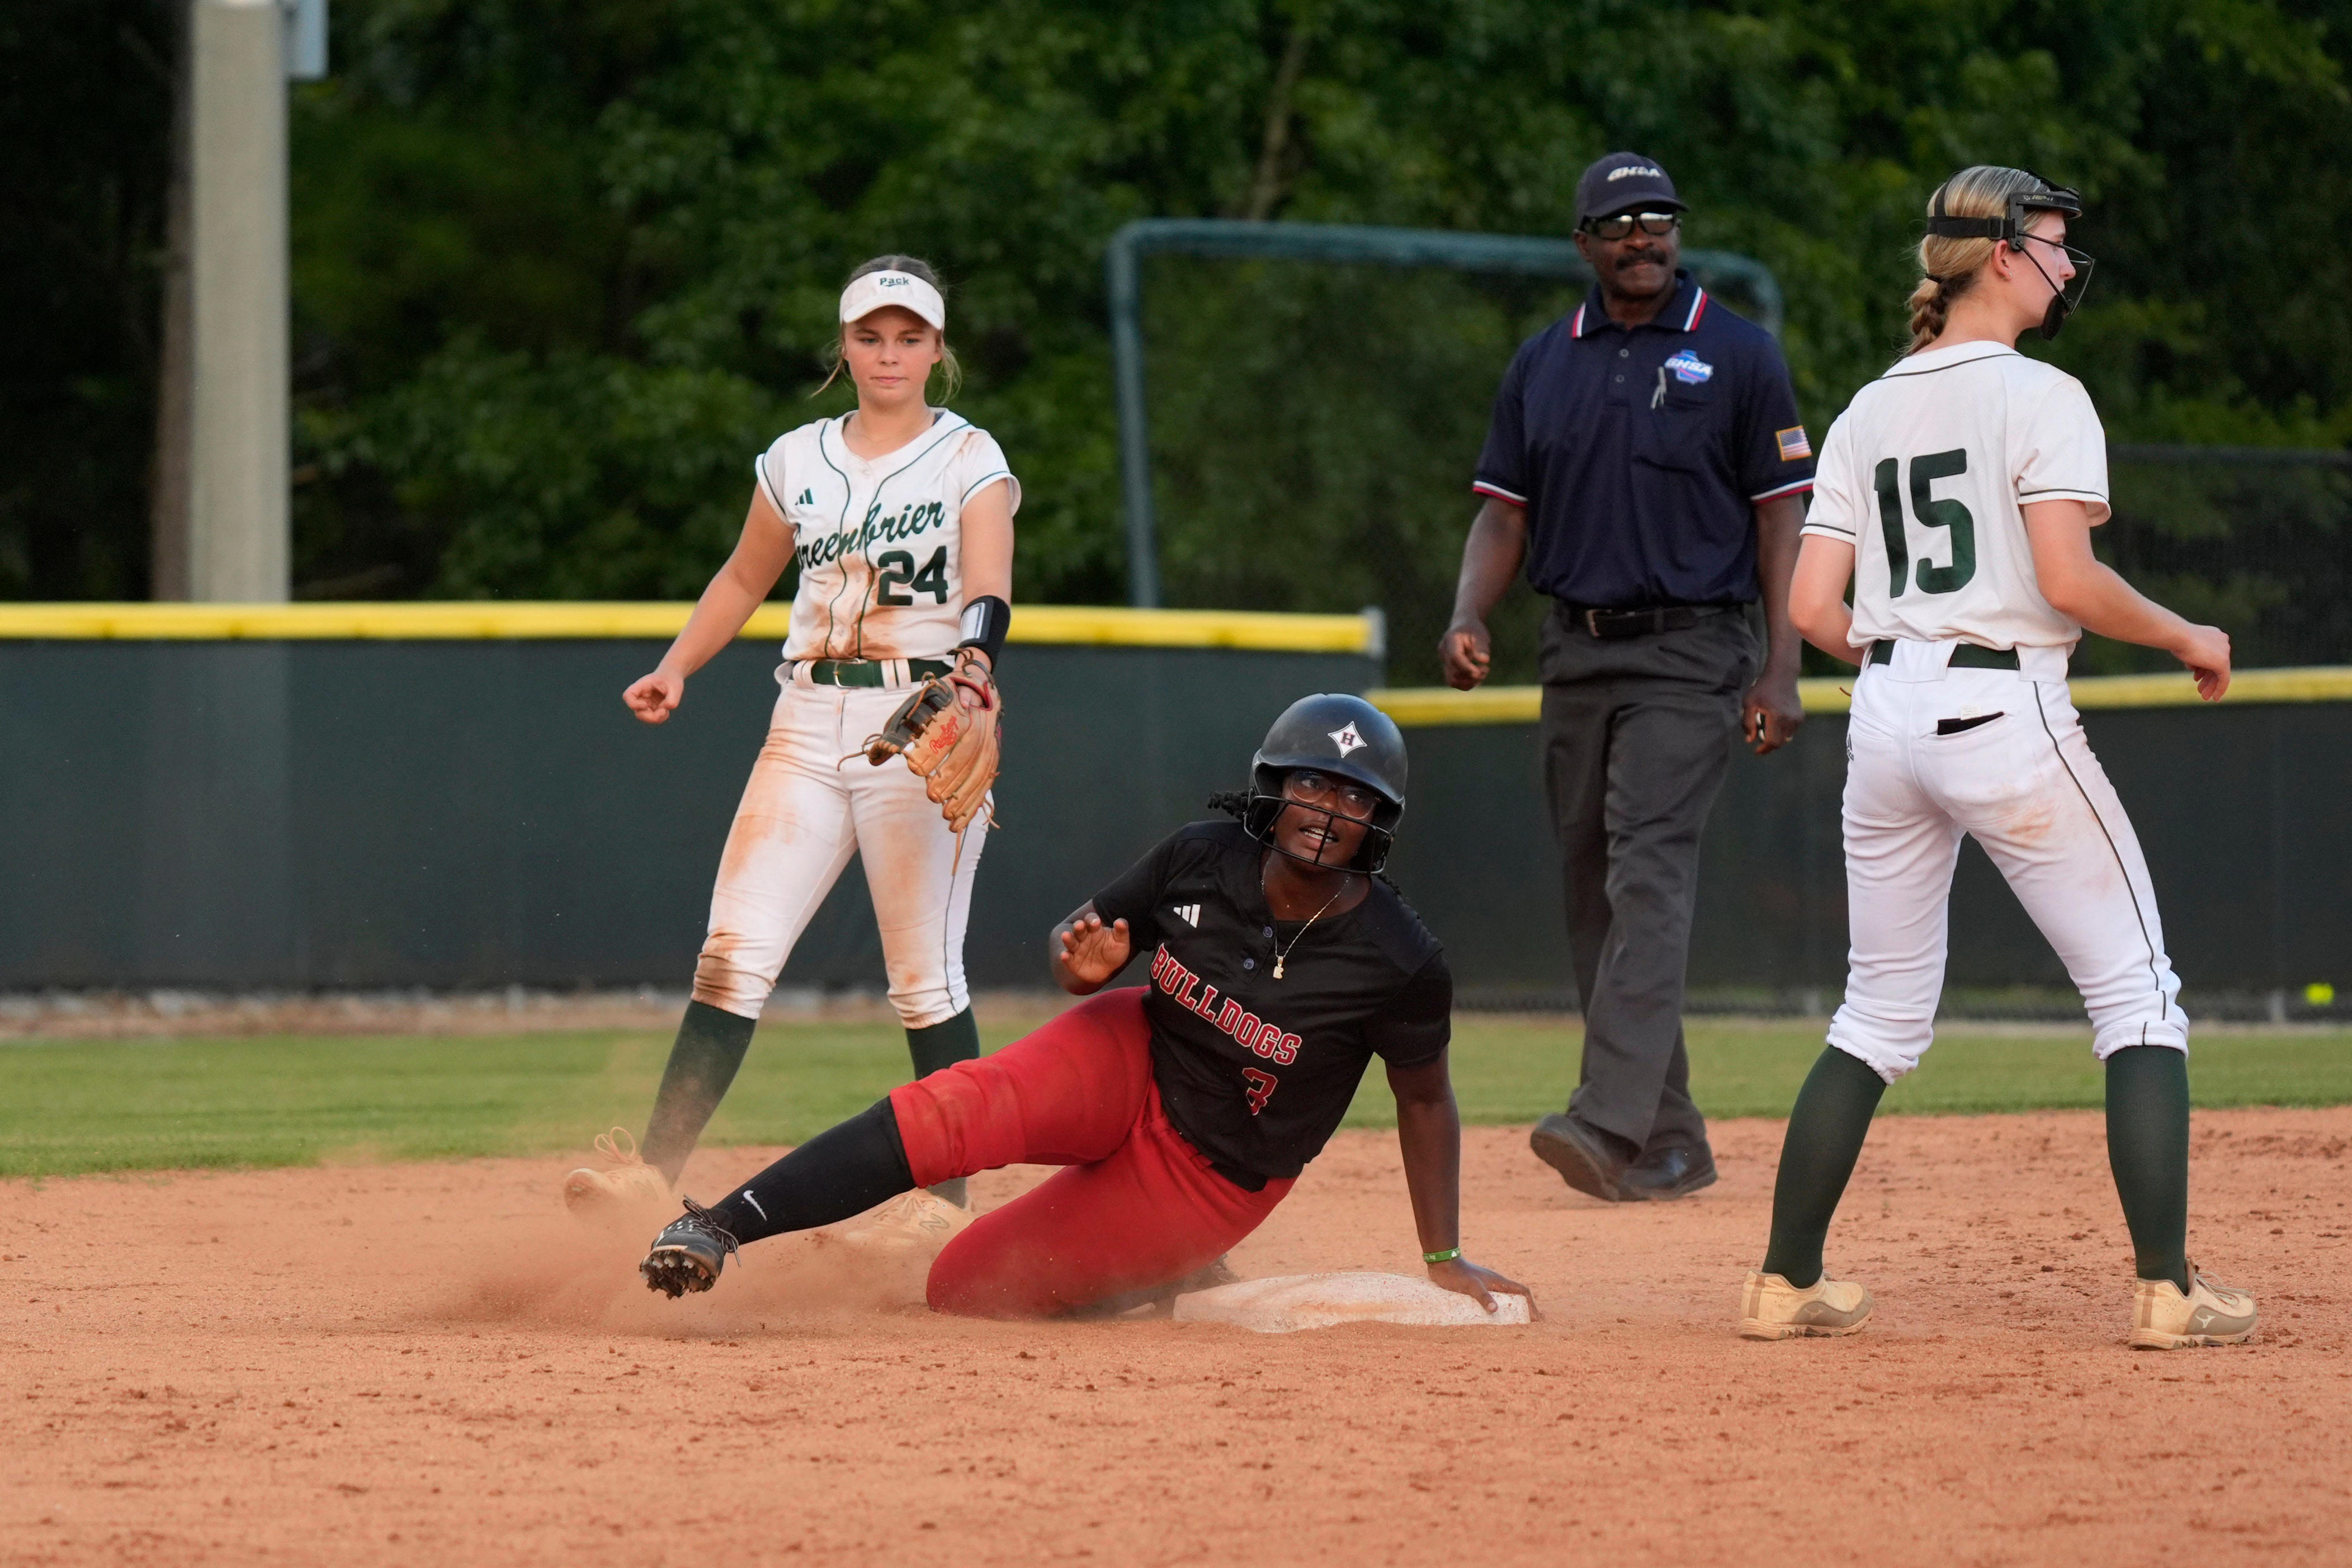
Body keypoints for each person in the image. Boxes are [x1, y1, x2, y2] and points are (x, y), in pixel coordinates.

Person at [1737, 167, 2256, 1350]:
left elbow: (1816, 605)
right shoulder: (2045, 394)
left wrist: (1908, 647)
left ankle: (1784, 1281)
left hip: (1887, 717)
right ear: (2006, 255)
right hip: (2005, 712)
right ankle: (2170, 1291)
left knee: (1875, 1013)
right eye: (2058, 244)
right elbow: (2067, 581)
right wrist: (2185, 633)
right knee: (2138, 995)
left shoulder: (1871, 406)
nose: (2069, 264)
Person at [634, 695, 1534, 1321]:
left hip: (1212, 1173)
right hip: (1130, 1048)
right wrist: (1083, 968)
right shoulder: (1200, 856)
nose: (1325, 807)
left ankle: (1165, 1265)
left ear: (1380, 822)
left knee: (964, 1286)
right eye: (1309, 782)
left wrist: (1443, 1257)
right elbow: (1087, 942)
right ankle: (715, 1225)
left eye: (1351, 795)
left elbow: (1424, 1103)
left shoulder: (1400, 958)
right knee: (950, 1109)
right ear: (1271, 788)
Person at [563, 254, 1018, 1224]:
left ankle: (945, 1209)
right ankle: (648, 1173)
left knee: (923, 980)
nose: (888, 354)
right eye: (869, 336)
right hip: (806, 720)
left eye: (909, 337)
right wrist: (676, 664)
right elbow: (742, 579)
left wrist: (975, 669)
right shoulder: (795, 460)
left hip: (921, 719)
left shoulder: (968, 456)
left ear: (938, 351)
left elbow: (987, 580)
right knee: (731, 954)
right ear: (843, 347)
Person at [1439, 152, 1816, 1203]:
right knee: (1590, 890)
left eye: (1659, 219)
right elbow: (1502, 510)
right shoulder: (1543, 362)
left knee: (1648, 871)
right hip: (1575, 650)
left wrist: (1785, 664)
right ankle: (1673, 1140)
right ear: (1585, 244)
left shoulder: (1739, 354)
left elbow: (1780, 514)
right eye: (1619, 223)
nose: (1642, 236)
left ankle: (1607, 1121)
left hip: (1695, 651)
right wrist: (1469, 612)